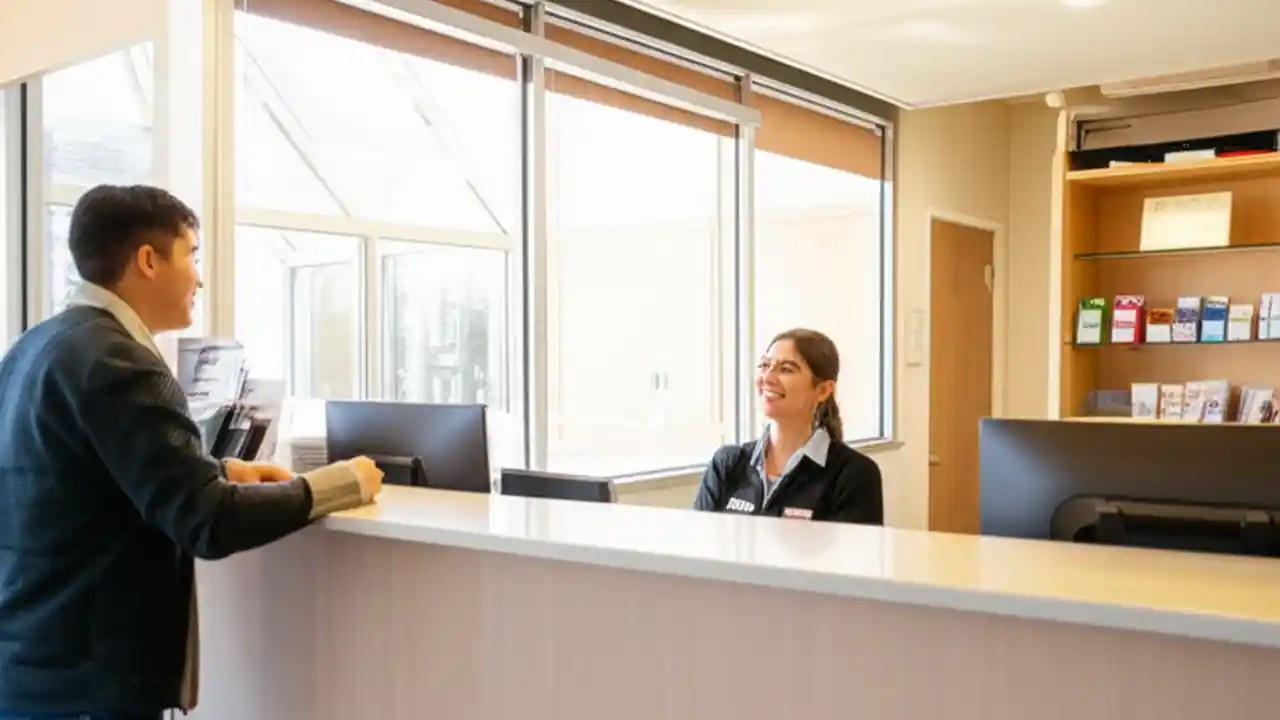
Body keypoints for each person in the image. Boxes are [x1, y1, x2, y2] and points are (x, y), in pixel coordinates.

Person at [0, 185, 384, 720]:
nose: (200, 278)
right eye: (193, 256)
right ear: (148, 260)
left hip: (32, 673)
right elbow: (207, 520)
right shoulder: (118, 359)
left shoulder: (34, 347)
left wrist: (221, 467)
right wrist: (340, 483)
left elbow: (79, 475)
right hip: (90, 684)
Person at [693, 328, 883, 525]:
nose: (767, 378)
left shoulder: (854, 475)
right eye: (765, 365)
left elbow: (855, 555)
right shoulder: (728, 464)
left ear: (823, 390)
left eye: (785, 369)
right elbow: (698, 545)